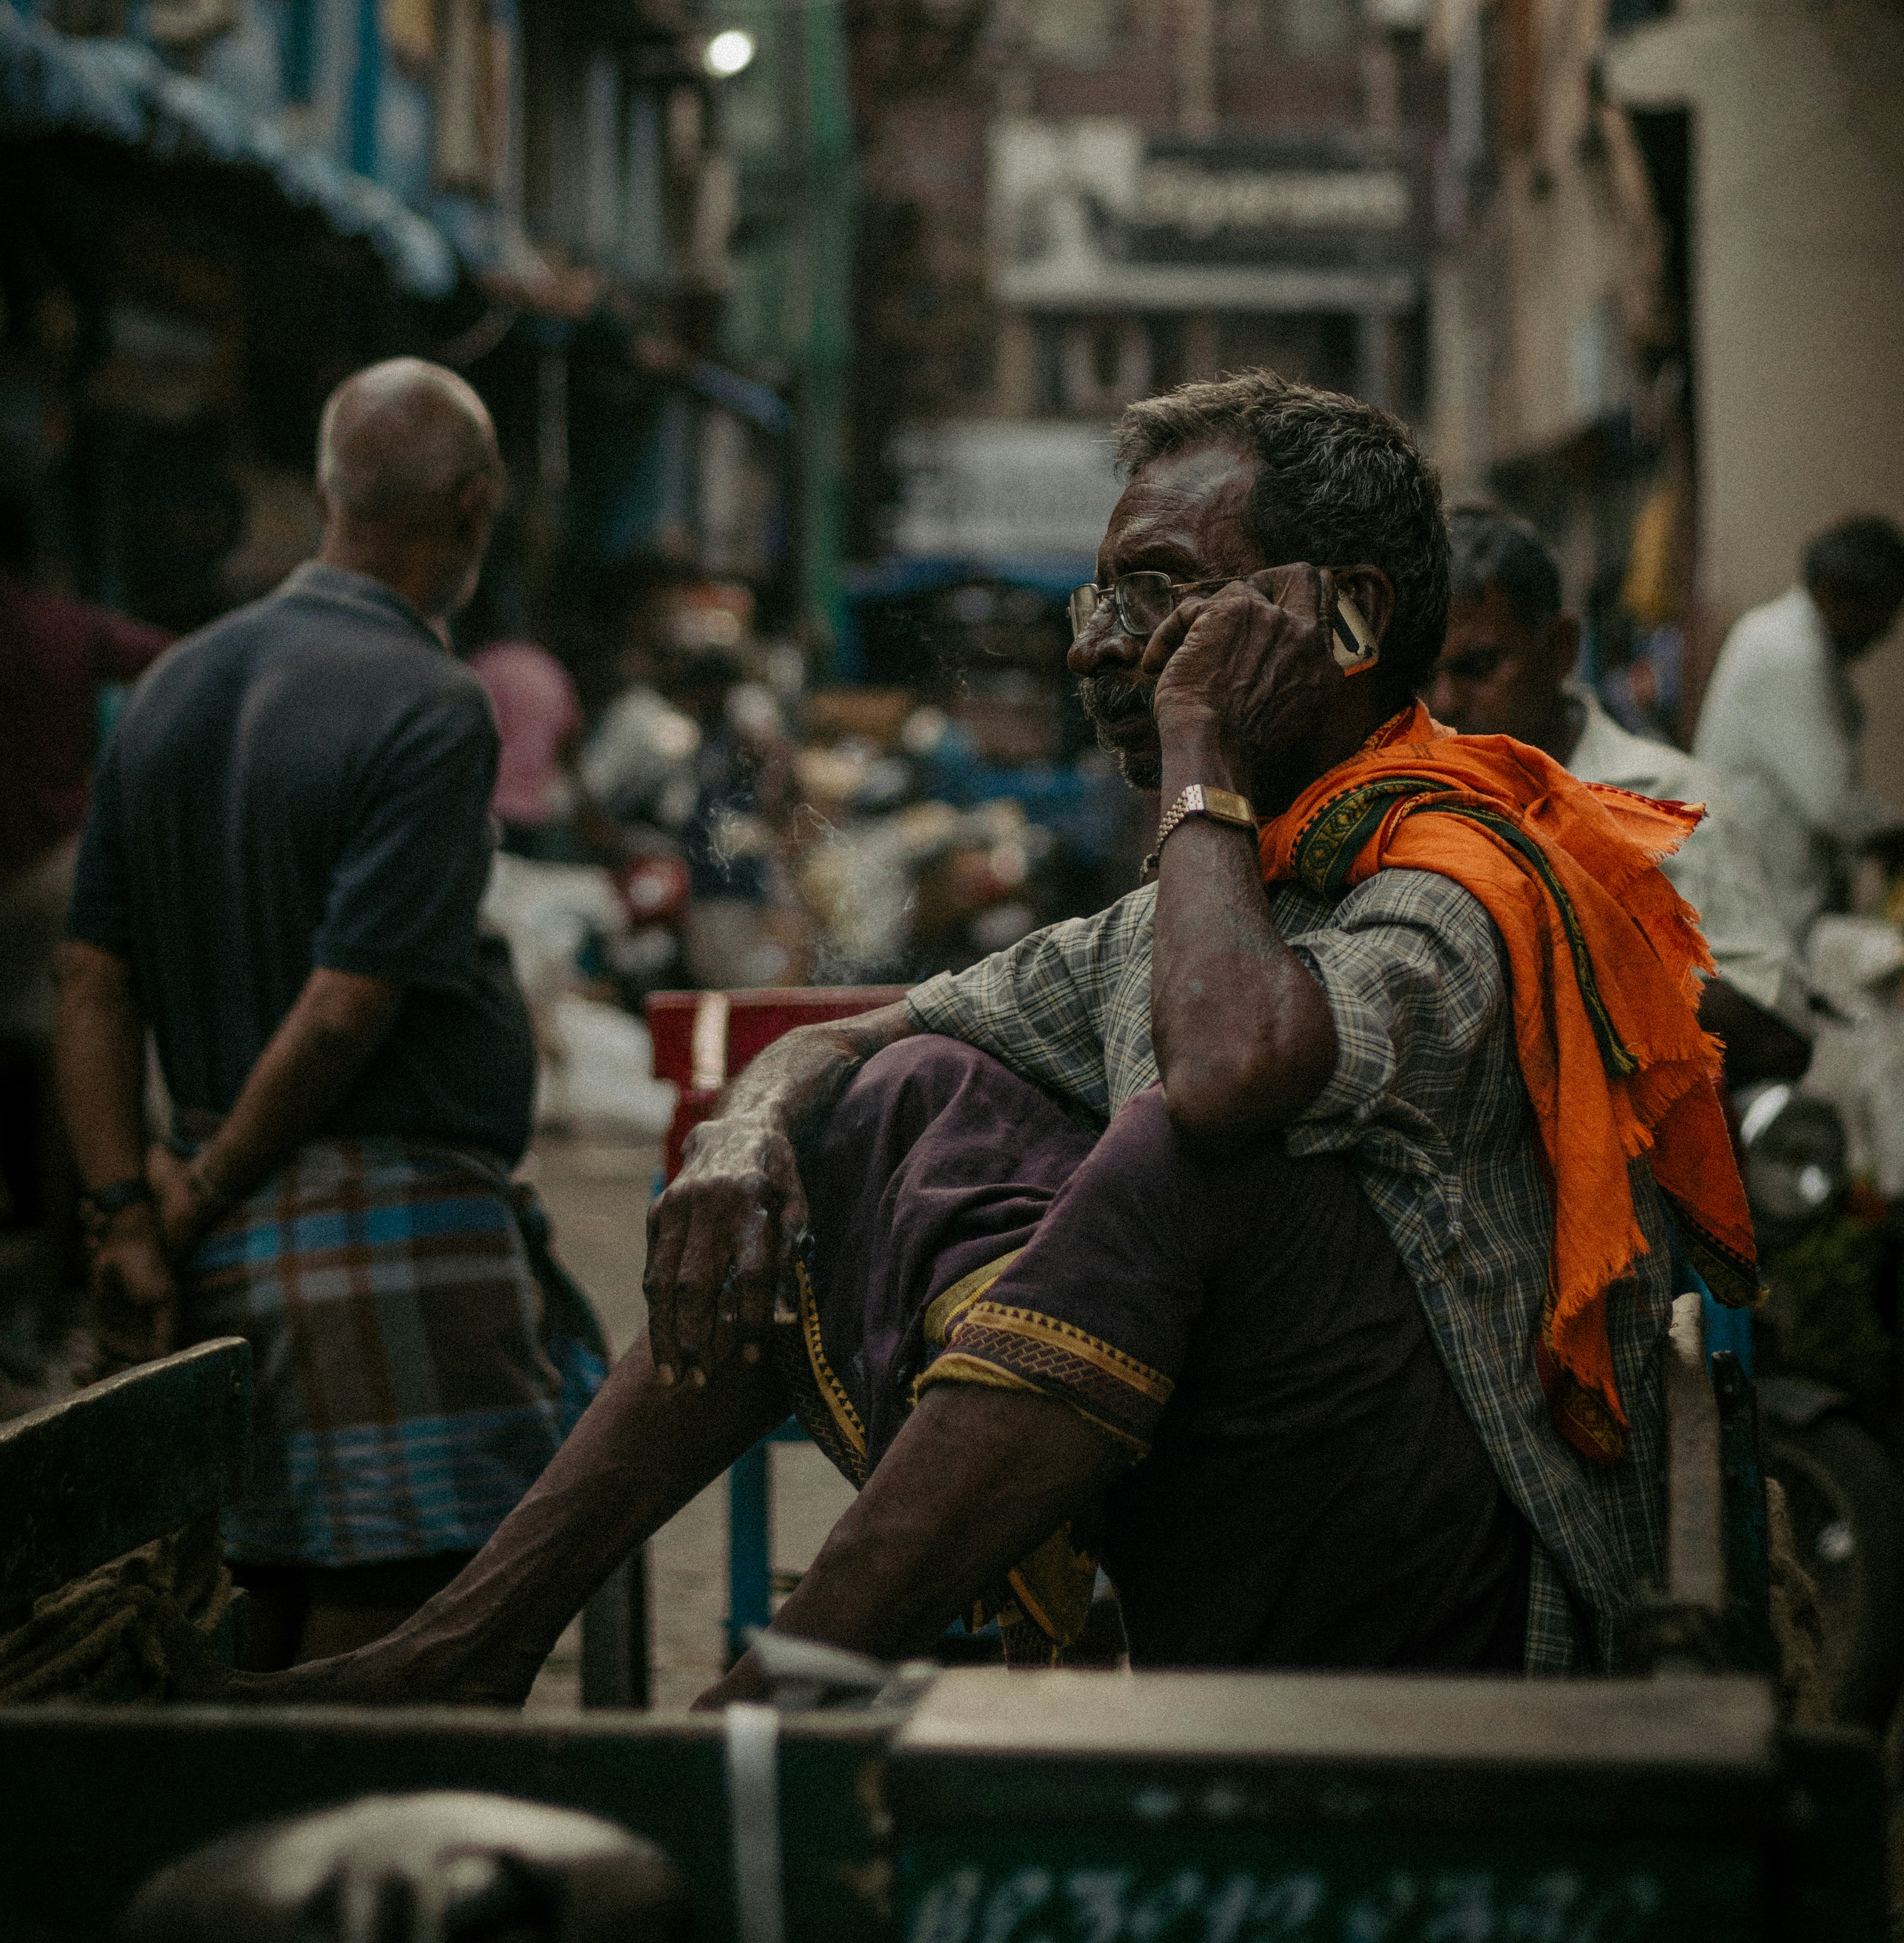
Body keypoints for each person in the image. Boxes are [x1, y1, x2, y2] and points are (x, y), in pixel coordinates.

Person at [209, 372, 1749, 1706]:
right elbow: (868, 1034)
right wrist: (747, 1131)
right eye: (1103, 599)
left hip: (1459, 1606)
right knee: (902, 1089)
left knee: (1186, 1146)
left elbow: (1224, 1074)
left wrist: (1199, 744)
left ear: (1333, 617)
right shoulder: (1209, 892)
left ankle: (793, 1679)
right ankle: (480, 1635)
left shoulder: (1457, 883)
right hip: (1259, 1535)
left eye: (1151, 595)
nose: (1095, 647)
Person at [55, 360, 606, 1667]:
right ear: (473, 507)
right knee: (401, 1661)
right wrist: (191, 1189)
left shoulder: (170, 688)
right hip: (386, 1228)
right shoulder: (428, 703)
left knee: (259, 1617)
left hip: (218, 1238)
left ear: (325, 495)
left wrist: (127, 1214)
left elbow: (91, 980)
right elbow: (347, 1008)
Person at [1431, 506, 1811, 1086]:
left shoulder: (1661, 798)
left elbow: (1772, 1019)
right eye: (1420, 678)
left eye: (1477, 667)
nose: (1445, 703)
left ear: (1560, 648)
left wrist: (1559, 1006)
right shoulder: (1416, 798)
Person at [0, 498, 168, 1252]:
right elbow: (179, 659)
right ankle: (87, 1228)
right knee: (70, 1053)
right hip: (55, 866)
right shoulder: (63, 627)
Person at [1693, 518, 1904, 947]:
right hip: (1763, 895)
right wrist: (1892, 836)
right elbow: (1832, 803)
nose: (1885, 631)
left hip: (1780, 890)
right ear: (1836, 595)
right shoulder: (1787, 650)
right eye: (1882, 612)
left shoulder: (1798, 641)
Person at [470, 639, 585, 858]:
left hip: (489, 805)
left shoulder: (487, 665)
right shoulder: (552, 672)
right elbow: (569, 741)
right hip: (539, 811)